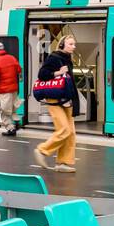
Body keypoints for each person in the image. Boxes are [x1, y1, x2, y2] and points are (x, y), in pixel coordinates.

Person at [32, 33, 80, 173]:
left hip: (67, 99)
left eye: (74, 44)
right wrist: (58, 72)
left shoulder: (68, 59)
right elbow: (42, 74)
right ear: (62, 45)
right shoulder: (54, 57)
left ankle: (63, 163)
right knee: (64, 129)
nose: (73, 46)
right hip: (54, 99)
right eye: (70, 44)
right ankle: (42, 150)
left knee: (70, 133)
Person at [0, 40, 22, 136]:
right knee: (12, 108)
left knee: (4, 110)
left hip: (3, 90)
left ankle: (11, 128)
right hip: (14, 89)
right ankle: (17, 121)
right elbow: (19, 69)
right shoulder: (11, 58)